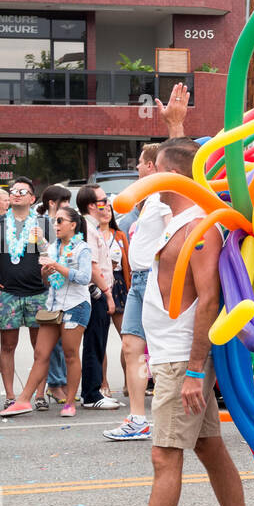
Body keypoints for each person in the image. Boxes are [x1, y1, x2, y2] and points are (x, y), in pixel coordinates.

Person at [88, 136, 254, 506]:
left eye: (152, 169)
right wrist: (174, 126)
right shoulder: (176, 220)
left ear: (174, 176)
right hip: (171, 358)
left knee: (165, 456)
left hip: (179, 362)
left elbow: (209, 301)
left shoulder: (201, 228)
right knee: (209, 448)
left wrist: (193, 370)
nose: (144, 176)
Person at [105, 83, 190, 441]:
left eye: (141, 162)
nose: (137, 167)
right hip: (139, 280)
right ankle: (138, 417)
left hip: (158, 279)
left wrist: (174, 125)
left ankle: (187, 409)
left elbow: (186, 170)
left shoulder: (165, 191)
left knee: (167, 353)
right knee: (130, 347)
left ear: (154, 166)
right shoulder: (144, 199)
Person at [0, 206, 91, 418]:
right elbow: (48, 282)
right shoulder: (53, 248)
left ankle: (70, 402)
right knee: (40, 354)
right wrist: (45, 273)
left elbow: (85, 278)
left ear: (73, 225)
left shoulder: (82, 248)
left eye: (60, 221)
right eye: (55, 221)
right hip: (52, 307)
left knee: (70, 354)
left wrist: (57, 266)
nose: (55, 225)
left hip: (75, 306)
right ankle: (23, 401)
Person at [0, 177, 48, 410]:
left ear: (32, 198)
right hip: (8, 292)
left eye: (22, 191)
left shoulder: (43, 223)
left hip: (38, 292)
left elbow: (53, 254)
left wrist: (43, 242)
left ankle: (40, 395)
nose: (16, 194)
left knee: (40, 346)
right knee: (7, 345)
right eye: (13, 191)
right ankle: (11, 396)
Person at [76, 183, 120, 411]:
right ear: (92, 205)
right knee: (95, 343)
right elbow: (93, 267)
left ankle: (91, 391)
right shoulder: (88, 228)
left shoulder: (91, 227)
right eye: (103, 200)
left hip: (97, 292)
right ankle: (91, 393)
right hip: (96, 293)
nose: (107, 204)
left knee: (98, 342)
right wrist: (107, 294)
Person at [36, 184, 71, 406]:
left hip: (65, 285)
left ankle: (61, 382)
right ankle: (55, 384)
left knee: (66, 337)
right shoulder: (39, 225)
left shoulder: (68, 223)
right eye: (64, 202)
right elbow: (43, 253)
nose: (68, 206)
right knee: (51, 340)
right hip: (45, 285)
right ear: (51, 203)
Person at [100, 201, 130, 396]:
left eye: (109, 209)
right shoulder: (91, 235)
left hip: (119, 284)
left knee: (127, 338)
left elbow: (128, 263)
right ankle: (103, 383)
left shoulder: (119, 235)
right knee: (100, 338)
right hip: (100, 286)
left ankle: (129, 382)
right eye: (102, 209)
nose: (106, 213)